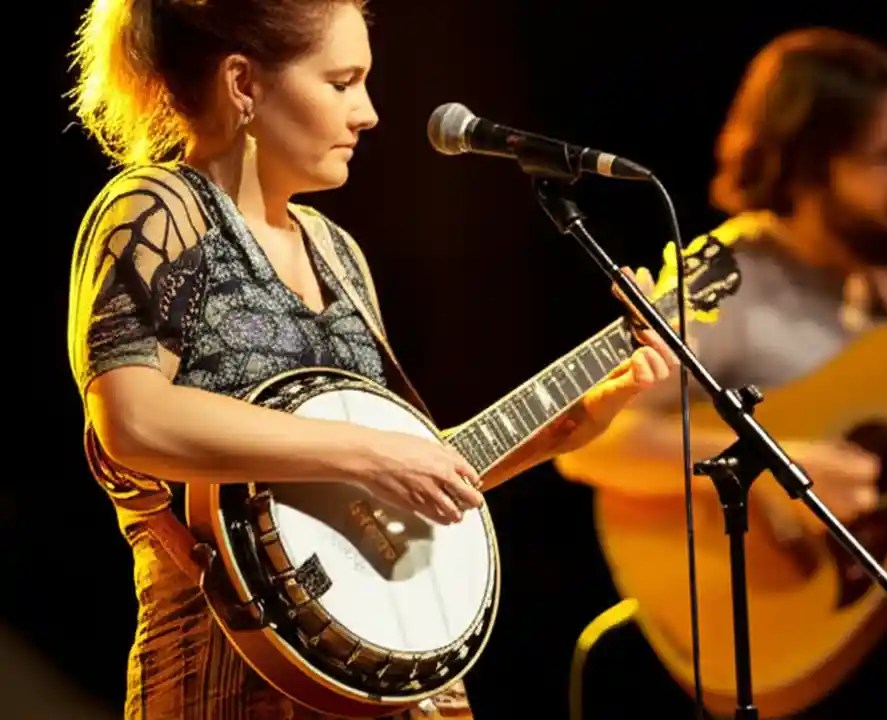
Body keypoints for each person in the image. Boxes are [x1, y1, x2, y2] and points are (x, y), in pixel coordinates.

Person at [63, 1, 678, 718]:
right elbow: (132, 419)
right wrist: (367, 453)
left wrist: (585, 411)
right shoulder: (159, 209)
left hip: (390, 680)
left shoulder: (339, 254)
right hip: (226, 671)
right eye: (343, 82)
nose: (369, 114)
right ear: (244, 84)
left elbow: (392, 484)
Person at [553, 27, 887, 719]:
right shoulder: (726, 280)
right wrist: (777, 463)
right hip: (781, 645)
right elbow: (590, 443)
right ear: (807, 166)